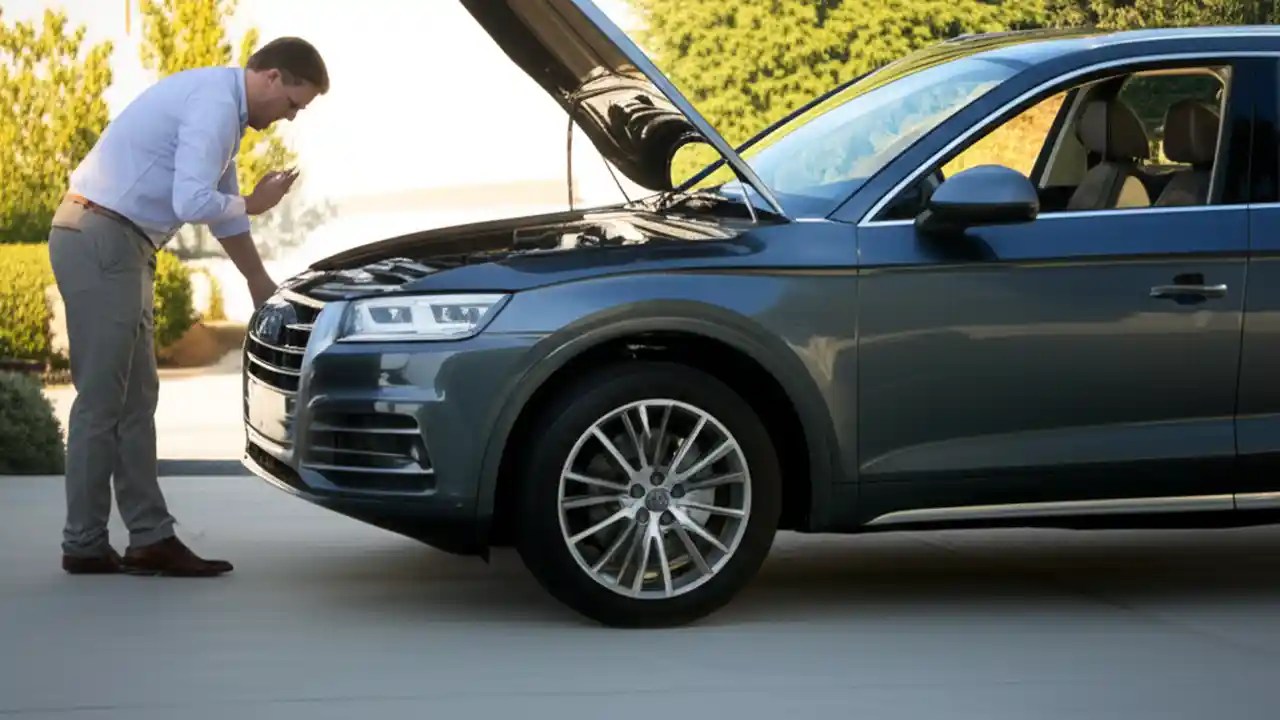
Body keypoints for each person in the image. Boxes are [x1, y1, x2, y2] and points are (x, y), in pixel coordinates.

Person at [48, 37, 329, 577]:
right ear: (271, 77)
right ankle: (84, 541)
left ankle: (149, 538)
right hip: (101, 237)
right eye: (294, 103)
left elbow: (221, 215)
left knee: (134, 401)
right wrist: (257, 202)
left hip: (120, 242)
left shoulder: (222, 108)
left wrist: (257, 281)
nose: (291, 117)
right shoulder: (215, 106)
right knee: (104, 400)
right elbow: (193, 202)